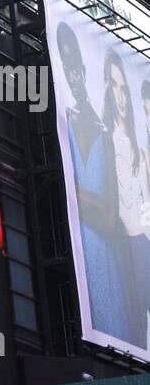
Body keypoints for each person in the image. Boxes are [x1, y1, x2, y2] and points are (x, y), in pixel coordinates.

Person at [55, 24, 130, 340]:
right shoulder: (61, 124)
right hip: (78, 263)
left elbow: (111, 218)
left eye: (76, 68)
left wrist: (74, 194)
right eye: (66, 66)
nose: (73, 77)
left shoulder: (103, 133)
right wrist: (87, 201)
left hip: (105, 270)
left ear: (84, 70)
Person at [103, 50, 150, 349]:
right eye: (115, 87)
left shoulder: (140, 151)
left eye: (125, 89)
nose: (121, 97)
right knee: (135, 336)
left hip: (143, 244)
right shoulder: (107, 139)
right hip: (124, 248)